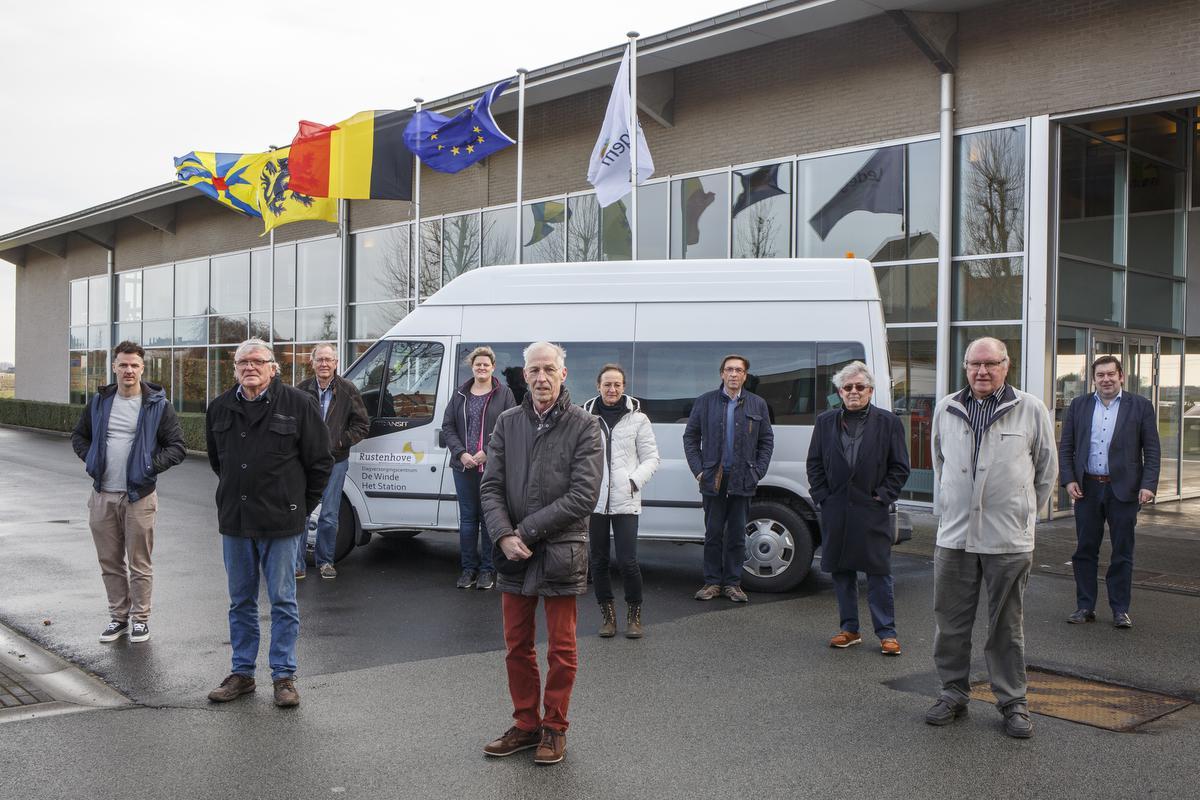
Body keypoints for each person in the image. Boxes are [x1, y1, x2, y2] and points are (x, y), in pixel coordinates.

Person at [926, 337, 1056, 739]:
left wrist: (1021, 514)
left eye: (990, 364)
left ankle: (1013, 702)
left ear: (1006, 365)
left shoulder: (1030, 408)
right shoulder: (947, 407)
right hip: (955, 536)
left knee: (1006, 626)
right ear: (965, 366)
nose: (982, 371)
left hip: (1008, 540)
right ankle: (953, 692)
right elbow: (940, 463)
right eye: (974, 364)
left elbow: (1046, 472)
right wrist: (952, 505)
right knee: (950, 623)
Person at [479, 342, 603, 766]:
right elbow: (491, 486)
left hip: (560, 551)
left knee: (562, 650)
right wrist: (502, 535)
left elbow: (583, 495)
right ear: (524, 375)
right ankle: (527, 724)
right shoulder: (507, 423)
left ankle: (555, 727)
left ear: (563, 374)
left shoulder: (585, 426)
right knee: (516, 647)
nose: (541, 377)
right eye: (534, 370)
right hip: (513, 553)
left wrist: (525, 531)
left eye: (549, 369)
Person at [204, 338, 332, 708]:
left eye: (258, 361)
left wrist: (298, 508)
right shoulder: (220, 408)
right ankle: (242, 673)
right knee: (240, 601)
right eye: (243, 362)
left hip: (282, 522)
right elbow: (219, 463)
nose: (250, 368)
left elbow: (320, 463)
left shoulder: (299, 404)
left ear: (273, 368)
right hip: (236, 521)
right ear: (235, 368)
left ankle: (283, 676)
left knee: (282, 602)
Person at [71, 340, 186, 644]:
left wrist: (148, 467)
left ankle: (140, 619)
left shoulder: (157, 405)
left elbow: (177, 447)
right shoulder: (100, 402)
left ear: (142, 368)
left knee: (139, 563)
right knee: (109, 561)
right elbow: (79, 436)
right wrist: (92, 459)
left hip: (139, 496)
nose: (129, 370)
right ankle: (118, 617)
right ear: (114, 367)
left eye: (134, 365)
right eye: (123, 364)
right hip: (102, 494)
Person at [806, 361, 910, 656]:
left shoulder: (888, 422)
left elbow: (900, 467)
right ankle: (849, 629)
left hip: (871, 508)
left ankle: (887, 633)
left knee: (878, 572)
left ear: (870, 391)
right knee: (841, 571)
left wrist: (882, 496)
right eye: (847, 387)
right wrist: (822, 495)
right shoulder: (826, 421)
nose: (853, 392)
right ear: (839, 391)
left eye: (859, 387)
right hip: (836, 508)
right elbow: (814, 463)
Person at [1059, 355, 1159, 629]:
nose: (1106, 379)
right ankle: (1084, 606)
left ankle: (1120, 610)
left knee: (1122, 552)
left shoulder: (1140, 406)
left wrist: (1148, 485)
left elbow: (1151, 450)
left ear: (1121, 376)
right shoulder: (1079, 405)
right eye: (1100, 375)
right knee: (1085, 550)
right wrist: (1068, 480)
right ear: (1093, 379)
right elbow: (1066, 447)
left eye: (1110, 374)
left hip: (1123, 491)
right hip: (1087, 488)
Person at [683, 354, 774, 603]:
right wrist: (699, 470)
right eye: (729, 369)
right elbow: (690, 438)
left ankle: (733, 584)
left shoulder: (757, 404)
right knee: (713, 534)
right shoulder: (705, 402)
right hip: (713, 478)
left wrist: (758, 471)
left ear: (745, 375)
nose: (734, 374)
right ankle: (712, 583)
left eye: (739, 370)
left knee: (736, 535)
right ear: (722, 373)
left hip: (743, 478)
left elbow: (766, 440)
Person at [582, 364, 660, 638]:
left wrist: (633, 480)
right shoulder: (585, 417)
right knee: (599, 561)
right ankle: (608, 617)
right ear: (598, 386)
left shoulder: (638, 419)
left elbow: (651, 458)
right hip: (595, 501)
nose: (612, 389)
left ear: (623, 387)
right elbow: (576, 457)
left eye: (617, 384)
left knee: (628, 561)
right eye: (607, 384)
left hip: (626, 500)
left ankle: (634, 616)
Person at [442, 346, 516, 590]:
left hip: (491, 466)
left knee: (488, 520)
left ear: (493, 367)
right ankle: (468, 569)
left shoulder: (504, 394)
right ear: (471, 367)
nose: (482, 367)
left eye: (486, 364)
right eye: (478, 364)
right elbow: (448, 426)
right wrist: (461, 453)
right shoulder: (460, 394)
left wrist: (487, 451)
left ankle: (487, 570)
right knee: (467, 520)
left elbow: (510, 428)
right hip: (463, 466)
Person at [295, 342, 370, 581]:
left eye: (329, 359)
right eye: (320, 359)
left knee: (329, 514)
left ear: (336, 363)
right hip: (305, 462)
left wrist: (340, 442)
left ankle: (325, 561)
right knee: (302, 513)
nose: (324, 364)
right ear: (313, 362)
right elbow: (291, 423)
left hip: (336, 460)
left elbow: (362, 424)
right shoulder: (301, 390)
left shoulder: (348, 389)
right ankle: (297, 565)